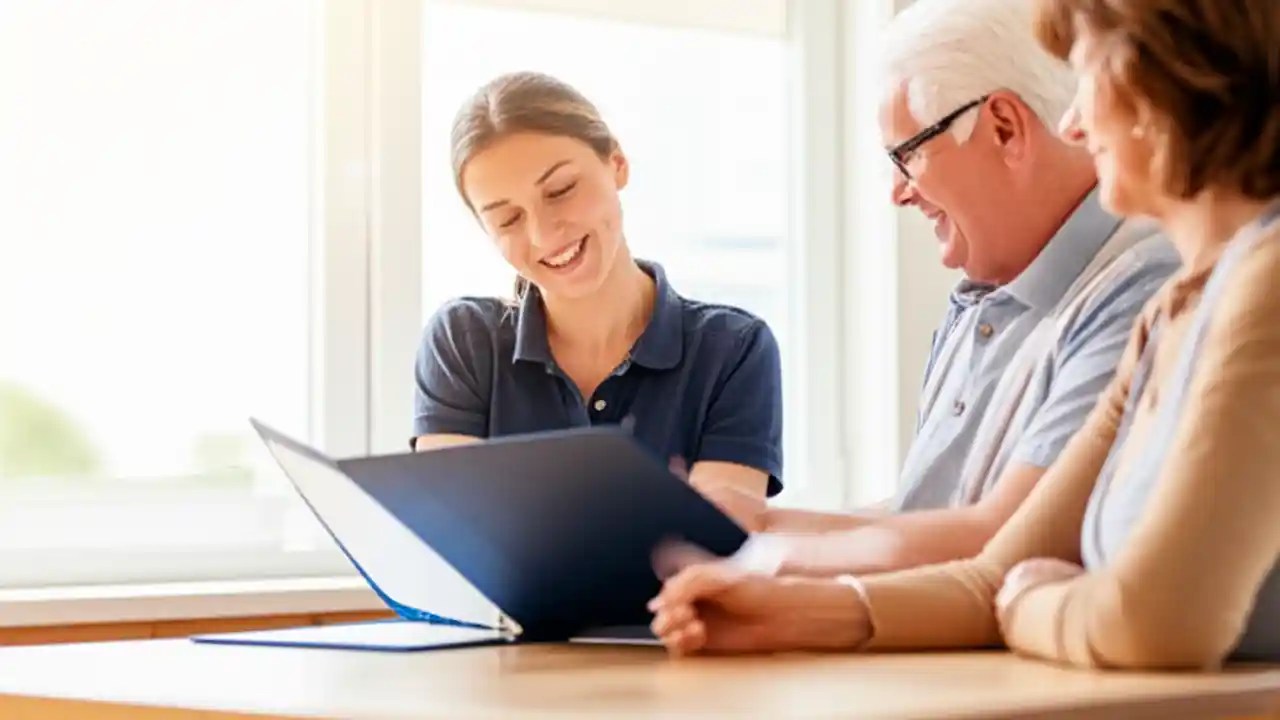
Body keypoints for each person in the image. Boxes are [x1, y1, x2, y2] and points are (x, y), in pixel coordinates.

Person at [650, 0, 1280, 669]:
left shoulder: (1261, 287)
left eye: (1091, 74)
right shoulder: (1170, 317)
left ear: (1168, 84)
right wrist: (781, 614)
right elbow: (995, 573)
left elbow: (1152, 622)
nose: (1072, 119)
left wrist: (1029, 602)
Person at [703, 0, 1178, 578]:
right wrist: (758, 522)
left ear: (1004, 127)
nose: (898, 192)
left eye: (908, 156)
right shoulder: (975, 304)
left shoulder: (1142, 287)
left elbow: (1012, 538)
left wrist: (772, 548)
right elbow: (929, 519)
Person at [412, 71, 784, 500]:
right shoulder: (462, 342)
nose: (544, 235)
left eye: (561, 190)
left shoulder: (733, 351)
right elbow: (446, 539)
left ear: (617, 164)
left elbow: (716, 550)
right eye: (508, 219)